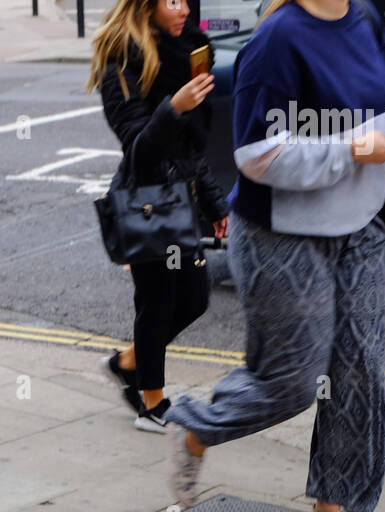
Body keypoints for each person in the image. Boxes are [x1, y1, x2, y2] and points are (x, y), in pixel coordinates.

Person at [164, 0, 385, 512]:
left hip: (357, 225)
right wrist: (352, 150)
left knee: (359, 369)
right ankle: (194, 426)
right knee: (292, 379)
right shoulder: (277, 41)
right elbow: (257, 155)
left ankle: (335, 505)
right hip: (280, 234)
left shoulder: (363, 17)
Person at [89, 0, 228, 432]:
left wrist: (213, 203)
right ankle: (152, 403)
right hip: (145, 203)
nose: (184, 8)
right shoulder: (121, 58)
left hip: (181, 200)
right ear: (146, 6)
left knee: (195, 298)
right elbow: (138, 148)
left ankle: (129, 361)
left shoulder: (183, 52)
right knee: (157, 302)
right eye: (172, 1)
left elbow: (189, 147)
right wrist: (176, 106)